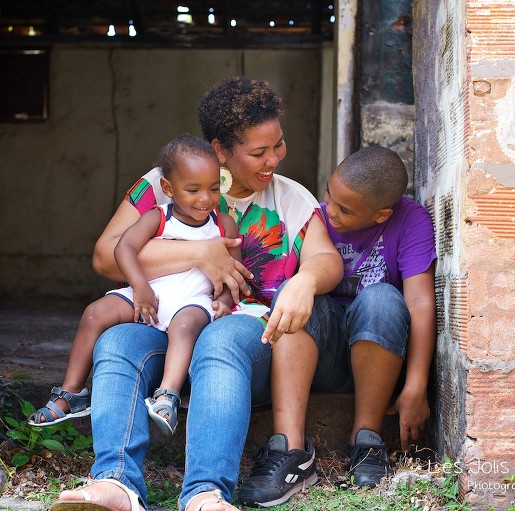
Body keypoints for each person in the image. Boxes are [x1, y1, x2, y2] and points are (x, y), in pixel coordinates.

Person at [50, 76, 343, 511]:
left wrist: (304, 281)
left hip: (240, 335)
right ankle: (115, 483)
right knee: (116, 341)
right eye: (258, 152)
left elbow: (327, 260)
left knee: (218, 340)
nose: (274, 160)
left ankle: (206, 492)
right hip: (163, 319)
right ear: (220, 150)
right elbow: (106, 257)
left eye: (277, 146)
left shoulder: (290, 198)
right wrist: (199, 253)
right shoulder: (162, 184)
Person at [237, 145, 437, 506]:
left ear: (381, 216)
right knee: (297, 292)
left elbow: (420, 302)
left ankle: (367, 441)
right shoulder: (315, 216)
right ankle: (290, 449)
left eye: (344, 209)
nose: (330, 211)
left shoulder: (411, 220)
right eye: (329, 196)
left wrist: (417, 385)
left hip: (378, 355)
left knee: (381, 297)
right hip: (317, 354)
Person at [29, 134, 239, 438]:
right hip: (148, 294)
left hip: (192, 301)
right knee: (95, 313)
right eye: (193, 190)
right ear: (168, 188)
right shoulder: (158, 218)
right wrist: (139, 286)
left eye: (214, 189)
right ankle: (70, 394)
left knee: (184, 327)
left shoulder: (223, 225)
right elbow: (123, 248)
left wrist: (226, 301)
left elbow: (234, 269)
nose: (205, 198)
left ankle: (167, 396)